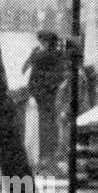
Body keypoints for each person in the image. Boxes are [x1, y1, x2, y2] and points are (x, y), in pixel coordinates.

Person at [22, 30, 66, 166]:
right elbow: (25, 68)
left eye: (44, 42)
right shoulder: (39, 52)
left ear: (49, 43)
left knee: (47, 126)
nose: (42, 44)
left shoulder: (51, 55)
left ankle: (46, 156)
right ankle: (43, 156)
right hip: (38, 94)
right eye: (41, 41)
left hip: (48, 95)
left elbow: (56, 76)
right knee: (43, 125)